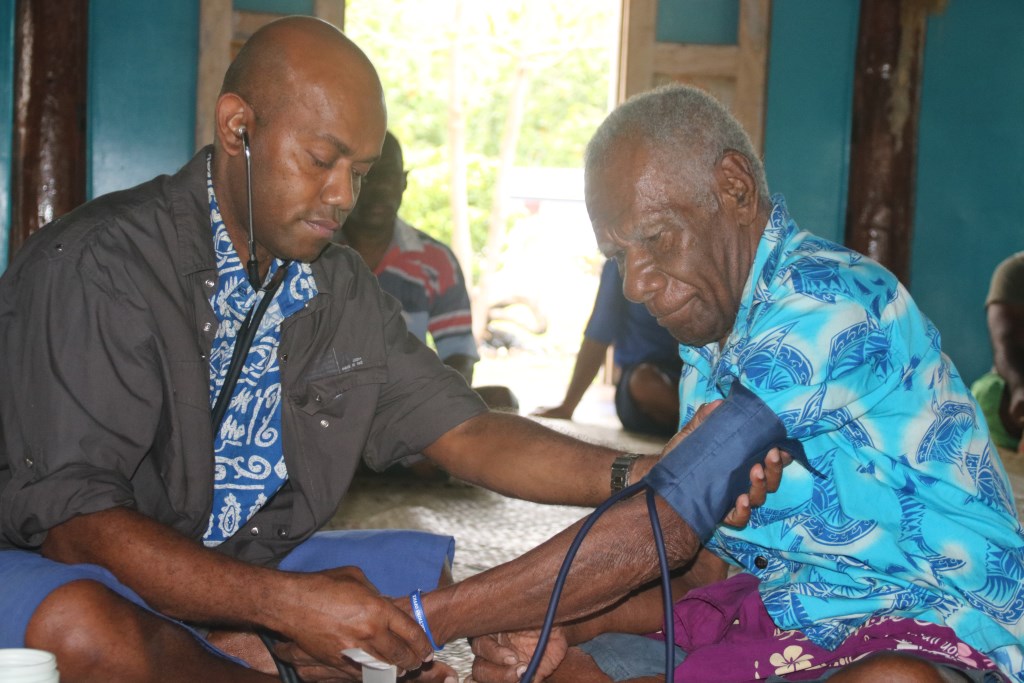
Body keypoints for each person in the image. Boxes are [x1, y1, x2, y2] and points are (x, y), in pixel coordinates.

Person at [0, 19, 779, 683]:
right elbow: (77, 526)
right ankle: (253, 659)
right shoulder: (102, 267)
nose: (344, 195)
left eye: (362, 171)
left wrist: (638, 473)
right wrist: (280, 610)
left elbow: (468, 432)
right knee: (84, 631)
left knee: (411, 578)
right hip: (68, 563)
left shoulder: (330, 286)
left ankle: (239, 644)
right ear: (238, 127)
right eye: (322, 160)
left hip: (227, 563)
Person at [407, 84, 1024, 683]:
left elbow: (666, 522)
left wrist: (426, 619)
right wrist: (548, 620)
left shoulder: (832, 302)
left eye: (655, 238)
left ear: (734, 187)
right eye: (618, 256)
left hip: (936, 620)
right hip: (787, 620)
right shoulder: (709, 348)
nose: (636, 285)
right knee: (556, 664)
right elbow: (705, 570)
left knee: (894, 682)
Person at [335, 130, 517, 413]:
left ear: (404, 183)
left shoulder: (435, 261)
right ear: (347, 180)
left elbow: (459, 355)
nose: (379, 188)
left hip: (404, 411)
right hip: (329, 411)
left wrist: (432, 411)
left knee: (502, 401)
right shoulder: (314, 254)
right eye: (366, 175)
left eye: (389, 177)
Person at [534, 257, 681, 437]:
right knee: (645, 383)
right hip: (644, 377)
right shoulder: (620, 261)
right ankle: (704, 420)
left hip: (693, 374)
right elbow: (598, 335)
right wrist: (568, 406)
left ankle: (705, 418)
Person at [972, 252, 1024, 453]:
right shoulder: (1015, 272)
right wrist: (1019, 387)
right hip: (1012, 388)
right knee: (987, 393)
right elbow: (1004, 342)